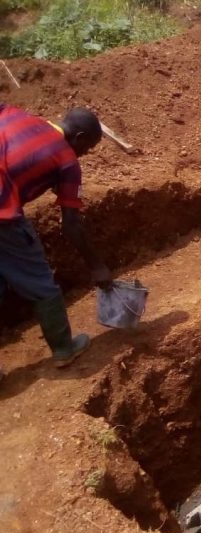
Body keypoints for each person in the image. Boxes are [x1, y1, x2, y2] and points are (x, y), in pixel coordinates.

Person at [0, 105, 112, 368]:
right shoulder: (67, 160)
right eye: (87, 148)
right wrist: (98, 267)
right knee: (39, 281)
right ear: (79, 137)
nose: (84, 154)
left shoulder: (16, 115)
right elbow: (71, 224)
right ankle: (64, 348)